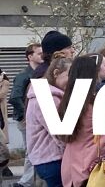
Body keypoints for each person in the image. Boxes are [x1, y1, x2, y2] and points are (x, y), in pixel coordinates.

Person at [60, 54, 105, 187]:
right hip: (94, 166)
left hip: (70, 167)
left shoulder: (66, 100)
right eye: (104, 64)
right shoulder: (100, 100)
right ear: (94, 72)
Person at [24, 55, 71, 187]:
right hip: (52, 159)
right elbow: (60, 133)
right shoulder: (45, 97)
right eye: (69, 76)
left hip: (49, 159)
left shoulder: (48, 94)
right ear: (56, 73)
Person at [9, 42, 42, 187]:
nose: (43, 56)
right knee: (31, 150)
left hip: (34, 119)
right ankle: (25, 182)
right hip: (26, 120)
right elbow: (14, 97)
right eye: (39, 53)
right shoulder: (23, 76)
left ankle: (30, 181)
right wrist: (25, 116)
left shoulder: (38, 74)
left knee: (35, 149)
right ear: (30, 56)